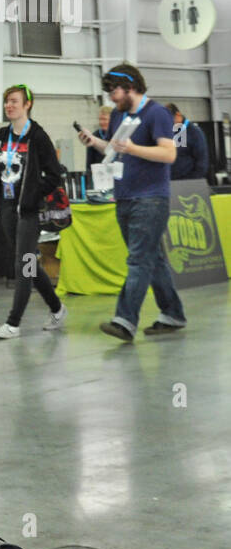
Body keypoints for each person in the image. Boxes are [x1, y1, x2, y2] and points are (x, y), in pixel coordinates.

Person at [78, 64, 186, 341]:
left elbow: (169, 154)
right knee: (153, 259)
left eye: (113, 91)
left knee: (138, 259)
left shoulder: (157, 114)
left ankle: (125, 320)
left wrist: (134, 148)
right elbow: (115, 150)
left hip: (151, 198)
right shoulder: (117, 115)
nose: (111, 98)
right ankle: (172, 313)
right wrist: (94, 143)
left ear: (129, 86)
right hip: (124, 196)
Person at [0, 85, 67, 338]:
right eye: (7, 101)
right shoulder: (1, 137)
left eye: (14, 101)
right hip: (6, 210)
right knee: (30, 263)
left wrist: (33, 195)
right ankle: (57, 308)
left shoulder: (37, 136)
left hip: (28, 212)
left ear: (27, 104)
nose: (9, 105)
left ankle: (13, 323)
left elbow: (55, 175)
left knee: (22, 263)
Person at [168, 105, 209, 182]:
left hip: (187, 182)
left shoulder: (195, 132)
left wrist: (192, 181)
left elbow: (202, 161)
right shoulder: (168, 131)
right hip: (169, 181)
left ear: (178, 115)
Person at [85, 104, 112, 174]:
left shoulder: (118, 135)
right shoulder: (94, 136)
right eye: (100, 119)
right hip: (99, 175)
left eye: (104, 119)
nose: (101, 122)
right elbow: (89, 162)